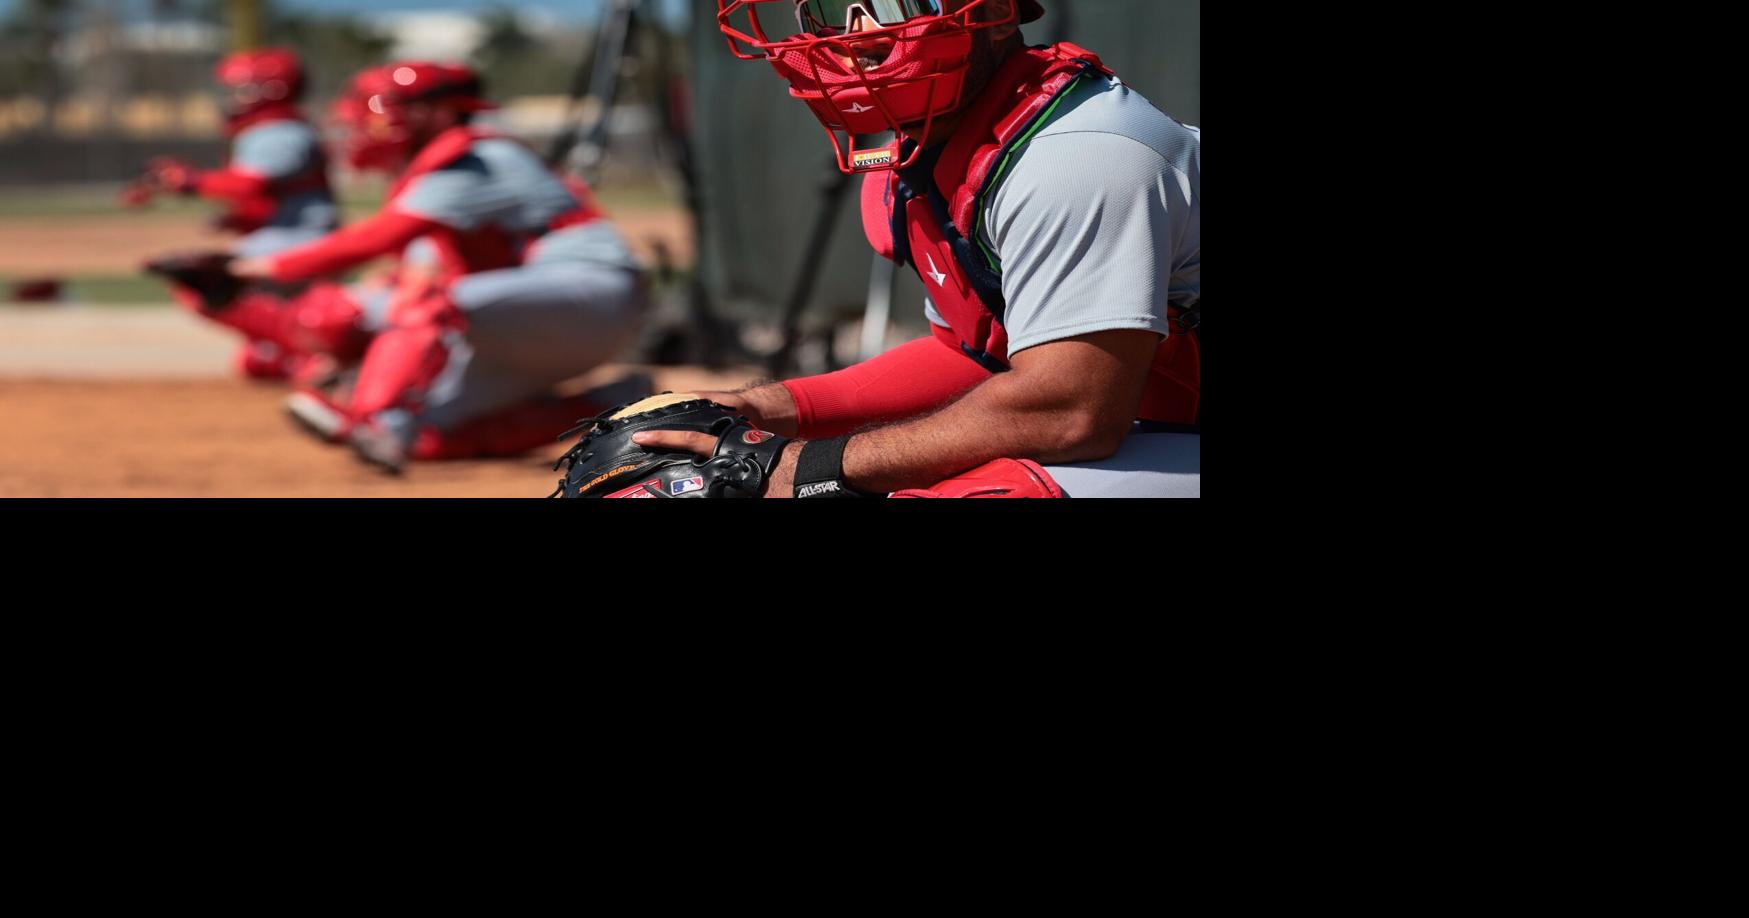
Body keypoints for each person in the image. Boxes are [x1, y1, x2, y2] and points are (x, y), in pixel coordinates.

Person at [631, 0, 1198, 497]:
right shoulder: (946, 144)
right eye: (832, 7)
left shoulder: (1076, 154)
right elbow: (974, 356)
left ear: (994, 11)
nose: (860, 35)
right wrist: (773, 409)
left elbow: (1071, 413)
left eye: (894, 3)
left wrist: (805, 468)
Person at [224, 61, 648, 472]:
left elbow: (376, 240)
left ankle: (376, 419)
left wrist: (256, 269)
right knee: (426, 435)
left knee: (390, 314)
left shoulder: (476, 156)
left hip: (590, 289)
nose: (369, 123)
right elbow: (415, 276)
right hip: (533, 320)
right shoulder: (433, 174)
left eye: (389, 109)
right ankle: (618, 404)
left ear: (441, 112)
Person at [128, 47, 343, 379]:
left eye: (242, 88)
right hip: (292, 235)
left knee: (200, 280)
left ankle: (307, 351)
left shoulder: (278, 132)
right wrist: (238, 219)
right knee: (252, 359)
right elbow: (280, 195)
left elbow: (250, 185)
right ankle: (288, 350)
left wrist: (188, 181)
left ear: (270, 90)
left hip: (301, 241)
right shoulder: (273, 129)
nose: (232, 96)